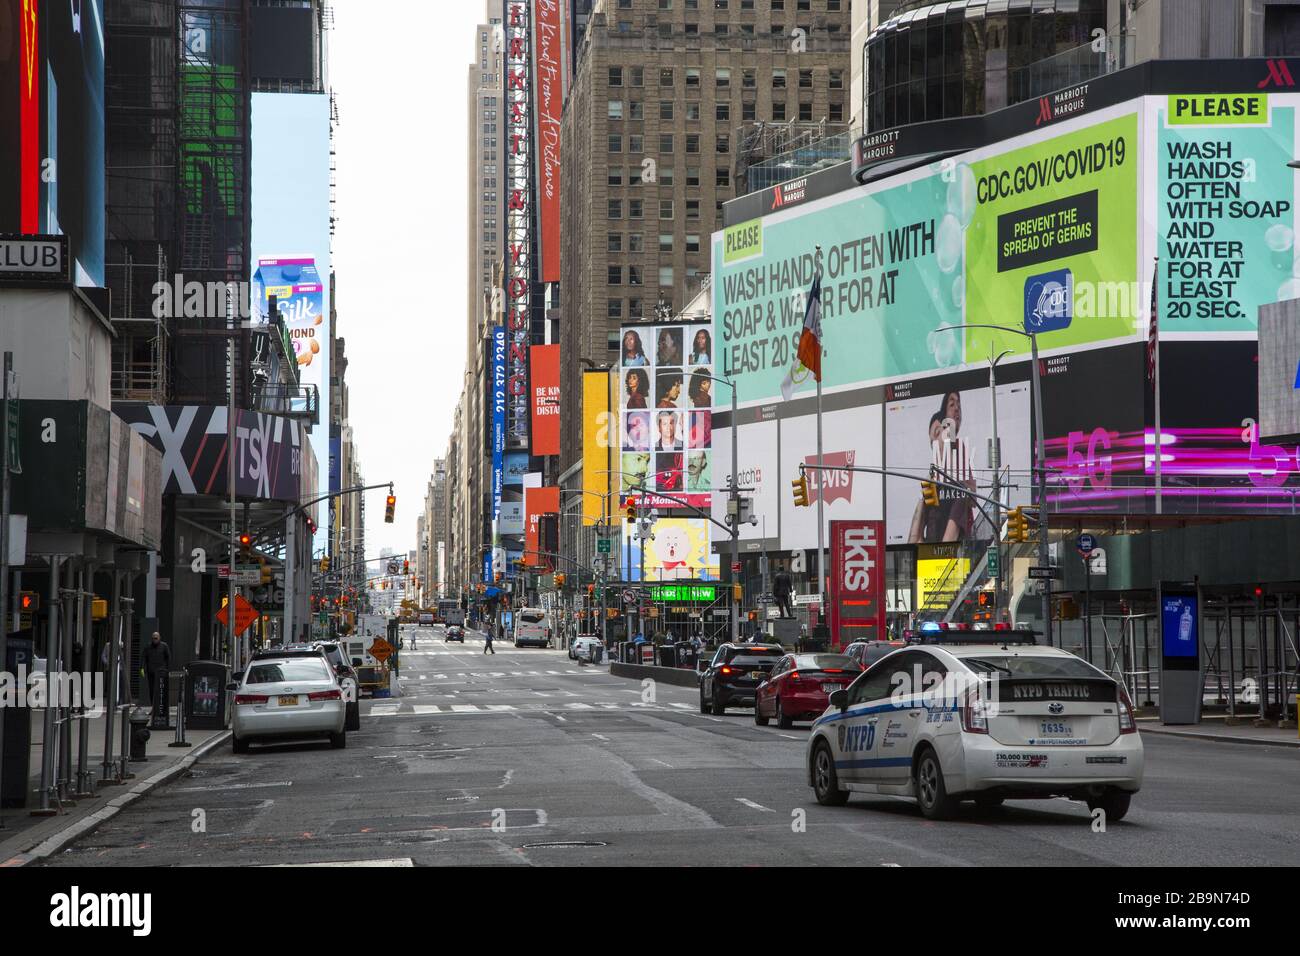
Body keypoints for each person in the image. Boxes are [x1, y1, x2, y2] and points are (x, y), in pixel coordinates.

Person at [142, 631, 171, 706]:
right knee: (152, 690)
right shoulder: (148, 646)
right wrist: (142, 668)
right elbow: (144, 657)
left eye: (156, 638)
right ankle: (153, 706)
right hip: (151, 672)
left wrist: (168, 670)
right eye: (153, 638)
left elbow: (168, 658)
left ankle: (160, 707)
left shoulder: (164, 646)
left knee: (160, 690)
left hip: (161, 672)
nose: (154, 640)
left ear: (159, 638)